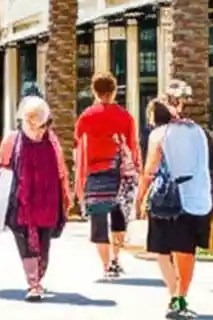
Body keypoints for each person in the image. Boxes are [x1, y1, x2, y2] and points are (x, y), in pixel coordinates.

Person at [137, 82, 213, 320]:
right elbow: (209, 167)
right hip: (198, 198)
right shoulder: (201, 133)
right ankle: (180, 296)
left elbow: (150, 171)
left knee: (163, 249)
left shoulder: (160, 134)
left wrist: (139, 198)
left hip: (168, 201)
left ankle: (175, 295)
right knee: (187, 251)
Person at [0, 96, 70, 302]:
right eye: (30, 121)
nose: (36, 127)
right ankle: (33, 283)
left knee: (44, 244)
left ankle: (39, 275)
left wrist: (67, 196)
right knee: (25, 241)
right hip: (22, 201)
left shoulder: (52, 141)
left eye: (40, 123)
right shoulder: (13, 139)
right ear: (23, 119)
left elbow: (62, 170)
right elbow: (0, 163)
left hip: (48, 202)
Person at [74, 72, 141, 280]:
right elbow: (132, 146)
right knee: (119, 219)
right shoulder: (125, 116)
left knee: (99, 223)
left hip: (95, 175)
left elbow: (78, 145)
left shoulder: (86, 117)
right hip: (119, 175)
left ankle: (105, 266)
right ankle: (115, 259)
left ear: (94, 91)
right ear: (114, 91)